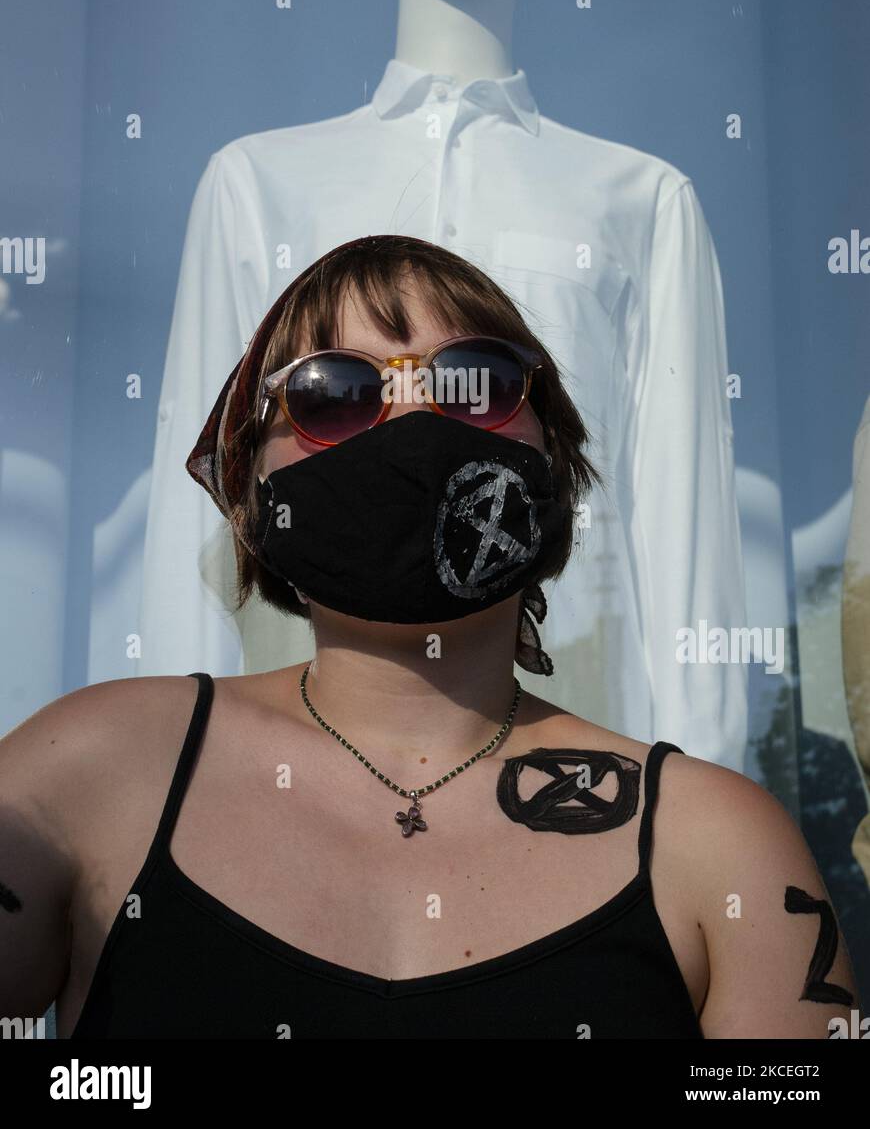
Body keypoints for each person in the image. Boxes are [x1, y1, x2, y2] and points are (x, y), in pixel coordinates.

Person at [0, 236, 857, 1039]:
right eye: (331, 393)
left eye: (475, 385)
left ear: (552, 456)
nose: (413, 422)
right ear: (250, 480)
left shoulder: (717, 843)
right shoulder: (94, 768)